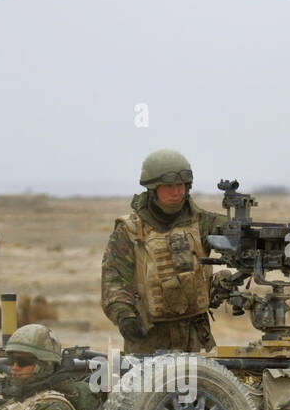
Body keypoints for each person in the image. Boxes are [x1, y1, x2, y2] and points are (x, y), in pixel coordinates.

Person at [100, 148, 237, 354]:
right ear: (153, 188)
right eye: (169, 186)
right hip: (148, 339)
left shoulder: (203, 223)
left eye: (181, 185)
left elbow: (242, 239)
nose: (177, 192)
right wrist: (124, 316)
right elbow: (114, 280)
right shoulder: (129, 231)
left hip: (196, 337)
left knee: (206, 386)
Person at [0, 324, 94, 410]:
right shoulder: (20, 399)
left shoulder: (54, 409)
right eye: (12, 360)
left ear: (45, 365)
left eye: (23, 362)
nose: (15, 367)